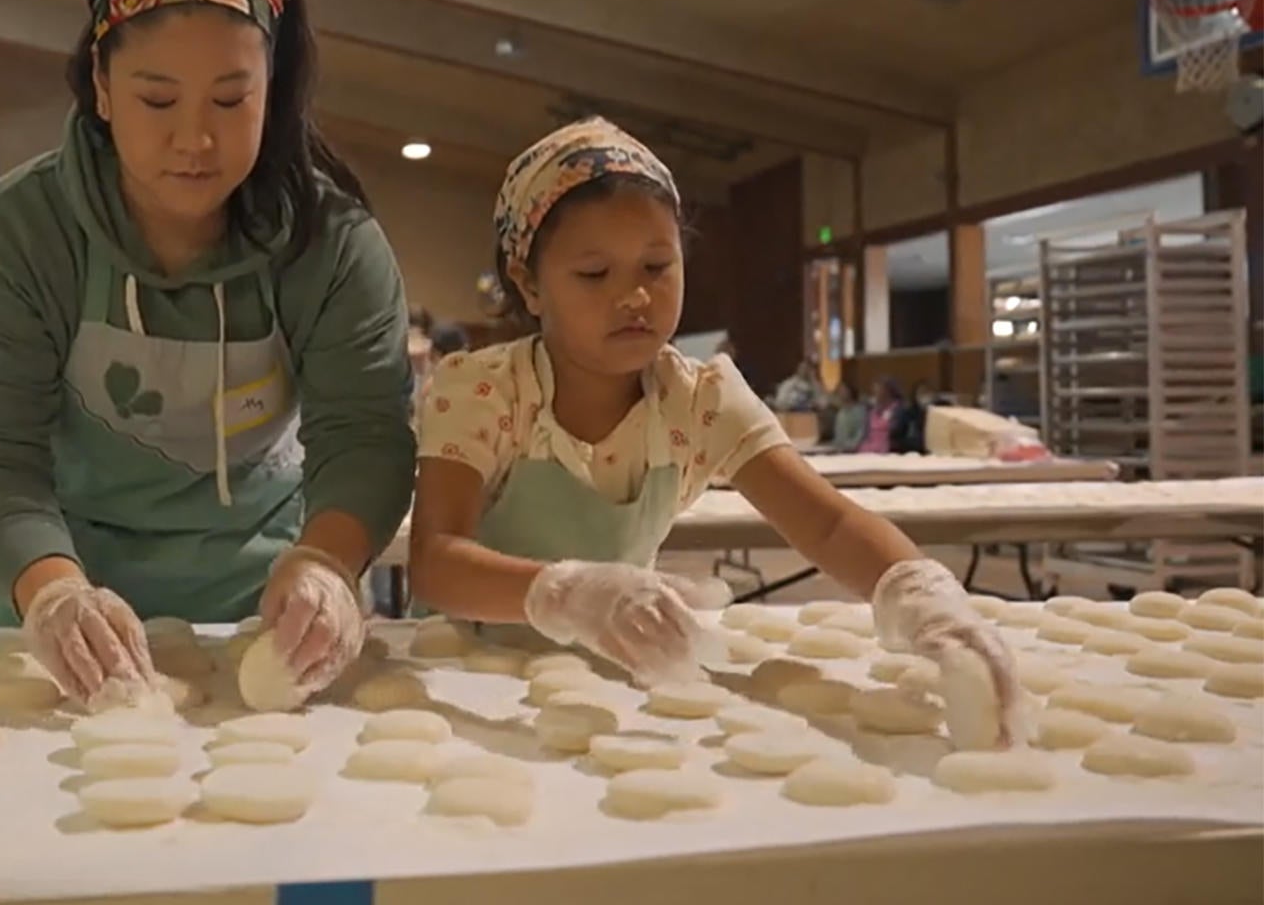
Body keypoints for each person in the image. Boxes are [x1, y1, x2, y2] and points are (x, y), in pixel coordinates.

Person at [0, 0, 415, 708]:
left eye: (231, 98)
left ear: (273, 87)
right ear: (102, 85)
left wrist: (326, 564)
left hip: (265, 623)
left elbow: (366, 433)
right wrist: (53, 594)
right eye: (157, 98)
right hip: (57, 623)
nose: (195, 139)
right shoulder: (20, 239)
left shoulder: (329, 242)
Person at [408, 119, 1023, 748]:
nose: (635, 296)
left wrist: (921, 595)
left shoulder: (697, 401)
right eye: (594, 273)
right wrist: (562, 594)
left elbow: (829, 524)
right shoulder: (486, 392)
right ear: (529, 283)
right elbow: (434, 561)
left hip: (602, 682)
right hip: (458, 679)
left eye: (657, 265)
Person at [858, 377, 902, 454]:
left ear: (888, 391)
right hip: (869, 447)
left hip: (888, 448)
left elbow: (896, 430)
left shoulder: (897, 409)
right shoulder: (872, 410)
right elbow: (866, 433)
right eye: (874, 390)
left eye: (879, 389)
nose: (876, 392)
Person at [830, 380, 868, 453]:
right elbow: (838, 435)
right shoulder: (841, 413)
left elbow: (861, 433)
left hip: (855, 450)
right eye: (839, 391)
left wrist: (851, 447)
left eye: (843, 390)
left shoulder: (860, 411)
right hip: (840, 449)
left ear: (850, 392)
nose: (840, 393)